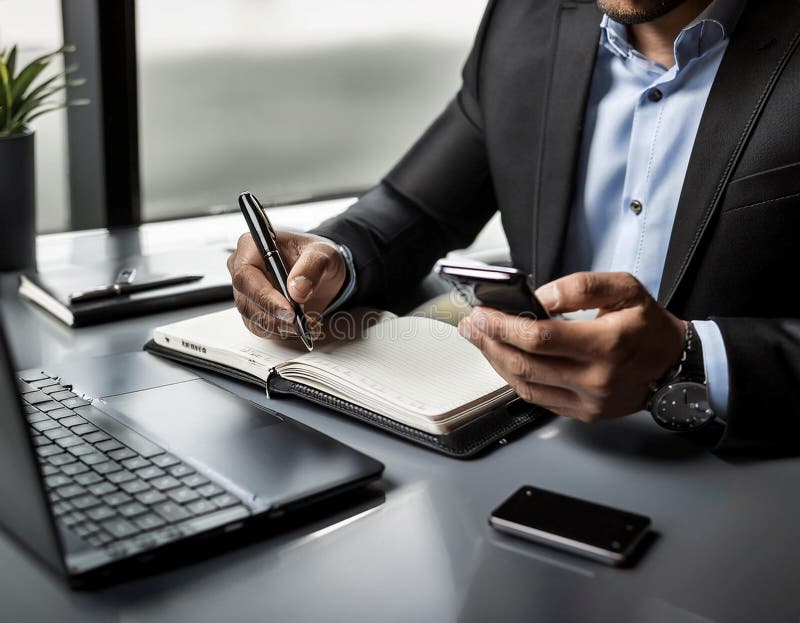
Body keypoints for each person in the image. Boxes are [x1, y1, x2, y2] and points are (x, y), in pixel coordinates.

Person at [227, 0, 800, 451]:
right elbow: (416, 209)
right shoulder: (523, 17)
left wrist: (687, 359)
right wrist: (332, 260)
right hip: (520, 443)